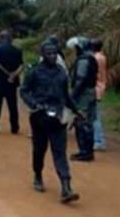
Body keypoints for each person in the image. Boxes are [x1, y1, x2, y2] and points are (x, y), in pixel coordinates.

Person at [20, 41, 81, 203]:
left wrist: (76, 110)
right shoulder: (34, 72)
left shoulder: (61, 72)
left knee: (60, 151)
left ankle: (66, 186)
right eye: (49, 53)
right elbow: (24, 91)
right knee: (39, 149)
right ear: (43, 55)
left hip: (58, 117)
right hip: (39, 116)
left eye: (55, 53)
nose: (53, 56)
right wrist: (33, 104)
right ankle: (38, 175)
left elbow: (66, 96)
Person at [67, 36, 98, 162]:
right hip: (91, 92)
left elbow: (81, 79)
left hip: (83, 95)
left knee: (81, 122)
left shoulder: (83, 60)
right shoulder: (91, 58)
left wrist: (73, 96)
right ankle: (88, 152)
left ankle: (84, 152)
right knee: (88, 123)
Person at [0, 30, 23, 135]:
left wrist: (8, 73)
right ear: (11, 39)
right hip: (12, 82)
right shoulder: (18, 50)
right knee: (12, 105)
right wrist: (13, 75)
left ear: (1, 38)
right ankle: (15, 127)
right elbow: (21, 65)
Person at [90, 38, 109, 151]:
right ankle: (97, 140)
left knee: (95, 117)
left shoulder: (94, 58)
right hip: (101, 87)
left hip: (95, 88)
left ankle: (99, 141)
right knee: (95, 116)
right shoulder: (103, 57)